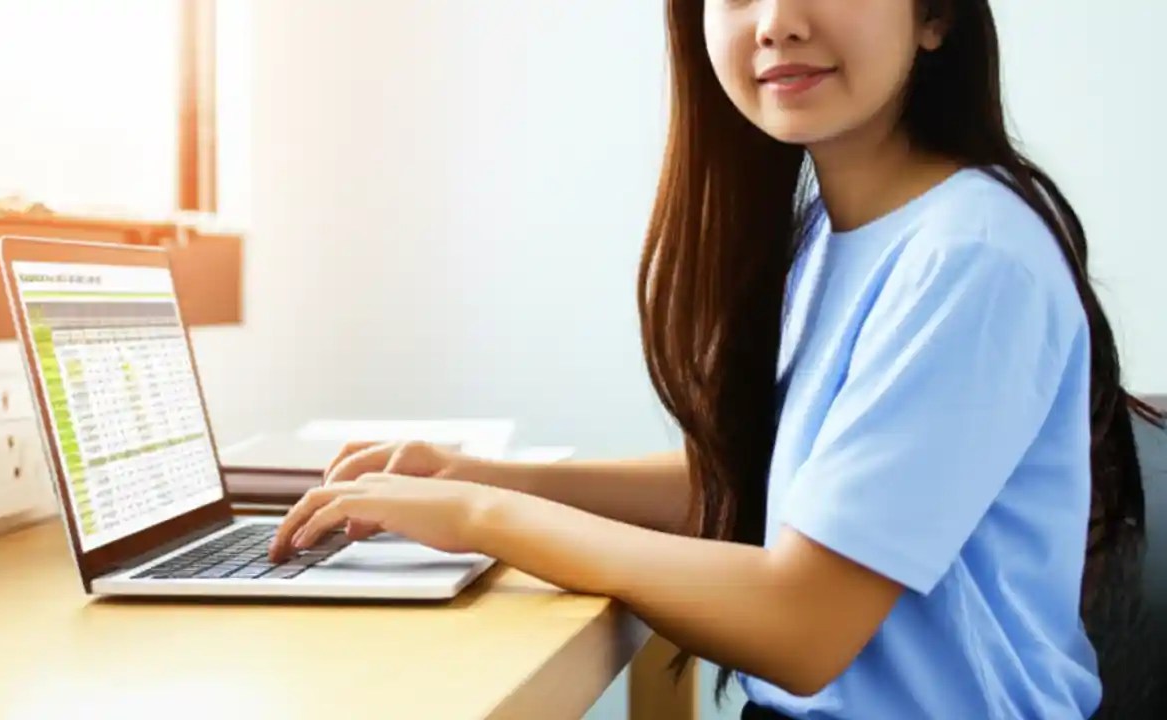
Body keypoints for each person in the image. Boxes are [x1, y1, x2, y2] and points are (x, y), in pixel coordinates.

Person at [269, 1, 1158, 717]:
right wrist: (493, 478)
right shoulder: (835, 234)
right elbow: (775, 484)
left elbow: (802, 624)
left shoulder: (970, 252)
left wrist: (479, 517)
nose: (775, 20)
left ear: (937, 18)